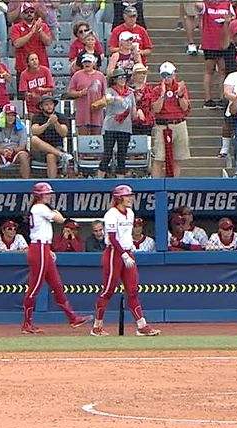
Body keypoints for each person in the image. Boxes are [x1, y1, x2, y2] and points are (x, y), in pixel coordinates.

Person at [21, 182, 92, 334]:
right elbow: (60, 219)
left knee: (57, 285)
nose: (49, 196)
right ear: (39, 195)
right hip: (38, 248)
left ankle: (72, 317)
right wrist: (55, 212)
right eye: (46, 194)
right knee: (34, 287)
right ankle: (27, 323)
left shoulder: (41, 208)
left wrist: (49, 250)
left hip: (44, 248)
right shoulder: (39, 207)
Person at [93, 185, 160, 337]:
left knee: (132, 290)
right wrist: (123, 254)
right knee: (108, 290)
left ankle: (142, 326)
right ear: (119, 198)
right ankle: (97, 326)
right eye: (127, 196)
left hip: (127, 252)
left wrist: (128, 252)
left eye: (130, 196)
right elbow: (112, 238)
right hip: (114, 253)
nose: (130, 198)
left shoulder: (130, 213)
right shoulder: (111, 214)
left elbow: (125, 236)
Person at [150, 62, 191, 178]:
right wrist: (162, 94)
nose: (166, 78)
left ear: (173, 75)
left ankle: (174, 183)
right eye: (164, 75)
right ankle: (156, 184)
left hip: (179, 124)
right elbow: (156, 109)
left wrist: (180, 95)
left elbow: (185, 108)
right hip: (162, 126)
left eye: (168, 75)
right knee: (159, 158)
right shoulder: (156, 90)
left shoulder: (181, 88)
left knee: (178, 158)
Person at [93, 68, 135, 178]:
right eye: (120, 77)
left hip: (125, 128)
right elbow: (107, 99)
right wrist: (117, 98)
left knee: (122, 156)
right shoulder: (110, 90)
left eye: (124, 77)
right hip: (110, 127)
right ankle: (99, 180)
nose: (122, 79)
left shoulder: (130, 93)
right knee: (107, 154)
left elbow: (133, 112)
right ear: (115, 80)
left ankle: (120, 181)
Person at [30, 95, 73, 179]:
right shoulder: (37, 117)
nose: (49, 106)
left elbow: (64, 133)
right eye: (46, 104)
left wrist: (56, 123)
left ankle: (52, 183)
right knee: (34, 139)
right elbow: (34, 131)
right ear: (41, 107)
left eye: (51, 104)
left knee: (51, 156)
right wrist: (48, 123)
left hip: (56, 147)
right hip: (40, 150)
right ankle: (62, 155)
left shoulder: (61, 117)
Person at [0, 103, 30, 179]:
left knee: (23, 155)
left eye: (13, 115)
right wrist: (4, 151)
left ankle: (26, 181)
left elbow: (22, 146)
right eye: (8, 115)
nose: (10, 117)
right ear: (3, 116)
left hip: (16, 151)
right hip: (0, 151)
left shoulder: (22, 126)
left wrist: (13, 150)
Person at [10, 2, 53, 76]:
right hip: (23, 67)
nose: (29, 13)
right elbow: (17, 44)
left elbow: (48, 42)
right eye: (26, 12)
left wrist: (40, 31)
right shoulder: (16, 27)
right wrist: (31, 33)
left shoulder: (43, 26)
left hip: (41, 66)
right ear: (22, 14)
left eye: (31, 12)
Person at [67, 54, 106, 135]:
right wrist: (80, 93)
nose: (87, 64)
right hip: (82, 112)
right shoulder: (77, 75)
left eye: (89, 62)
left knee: (96, 137)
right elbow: (70, 92)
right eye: (85, 62)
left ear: (94, 63)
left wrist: (101, 102)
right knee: (83, 137)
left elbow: (105, 94)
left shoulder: (101, 76)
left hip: (97, 113)